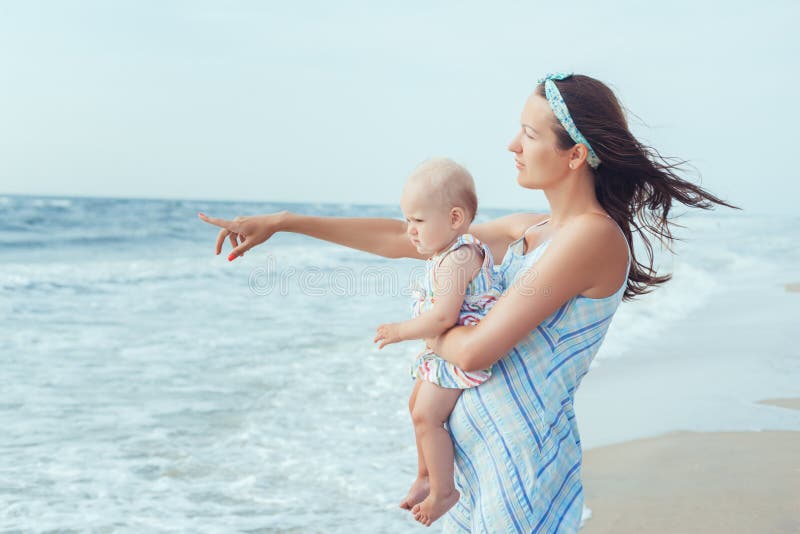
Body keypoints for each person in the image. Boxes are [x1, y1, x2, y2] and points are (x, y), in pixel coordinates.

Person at [198, 72, 738, 532]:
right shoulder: (535, 229)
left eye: (528, 134)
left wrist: (428, 325)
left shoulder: (590, 238)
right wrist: (288, 223)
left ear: (575, 154)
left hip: (520, 465)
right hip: (479, 463)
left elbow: (476, 351)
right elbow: (409, 238)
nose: (512, 146)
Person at [373, 158, 501, 526]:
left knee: (429, 417)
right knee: (415, 407)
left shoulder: (459, 257)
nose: (410, 230)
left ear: (455, 218)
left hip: (459, 353)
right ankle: (425, 476)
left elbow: (445, 316)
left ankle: (445, 489)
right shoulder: (444, 253)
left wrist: (401, 330)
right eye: (407, 220)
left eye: (418, 220)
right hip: (441, 351)